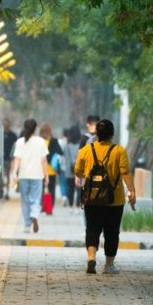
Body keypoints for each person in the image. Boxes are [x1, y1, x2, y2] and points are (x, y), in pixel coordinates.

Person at [74, 117, 136, 274]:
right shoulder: (119, 151)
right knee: (112, 231)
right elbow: (125, 173)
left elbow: (77, 171)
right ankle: (108, 266)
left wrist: (88, 175)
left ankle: (91, 257)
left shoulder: (86, 150)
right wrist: (132, 191)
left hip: (91, 198)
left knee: (92, 229)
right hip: (114, 200)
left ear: (97, 134)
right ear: (112, 134)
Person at [13, 117, 51, 233]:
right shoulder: (41, 142)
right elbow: (43, 160)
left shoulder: (20, 142)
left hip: (24, 175)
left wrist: (14, 173)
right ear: (36, 128)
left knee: (25, 200)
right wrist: (46, 175)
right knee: (35, 199)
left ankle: (27, 225)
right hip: (37, 175)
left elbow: (17, 159)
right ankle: (35, 215)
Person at [40, 122, 62, 214]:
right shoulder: (44, 141)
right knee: (47, 189)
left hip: (45, 169)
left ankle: (46, 207)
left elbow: (60, 152)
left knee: (45, 189)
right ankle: (46, 208)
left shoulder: (51, 141)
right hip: (45, 169)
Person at [59, 127, 79, 206]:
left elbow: (63, 154)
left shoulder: (67, 146)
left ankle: (70, 205)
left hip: (69, 170)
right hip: (79, 170)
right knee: (79, 189)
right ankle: (78, 206)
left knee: (70, 188)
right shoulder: (81, 145)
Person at [1, 119, 18, 199]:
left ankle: (6, 192)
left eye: (6, 125)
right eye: (4, 125)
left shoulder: (13, 135)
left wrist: (14, 157)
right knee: (0, 175)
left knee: (7, 175)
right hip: (0, 157)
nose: (5, 126)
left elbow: (16, 146)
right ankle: (1, 189)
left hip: (8, 158)